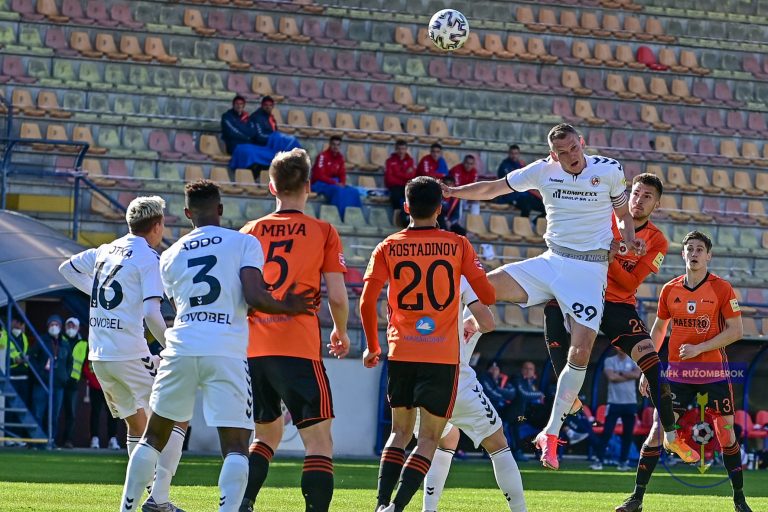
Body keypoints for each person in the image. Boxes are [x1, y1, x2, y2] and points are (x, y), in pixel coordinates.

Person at [442, 123, 644, 470]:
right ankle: (454, 368)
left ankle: (550, 433)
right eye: (561, 153)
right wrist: (453, 191)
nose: (569, 157)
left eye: (573, 149)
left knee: (580, 351)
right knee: (476, 289)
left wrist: (626, 238)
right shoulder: (543, 171)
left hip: (588, 270)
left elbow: (623, 215)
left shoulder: (609, 170)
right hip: (551, 262)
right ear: (553, 154)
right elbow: (493, 188)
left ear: (582, 143)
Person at [119, 179, 316, 512]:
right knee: (237, 445)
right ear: (221, 209)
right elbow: (253, 296)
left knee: (153, 437)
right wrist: (289, 305)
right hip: (225, 348)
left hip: (181, 346)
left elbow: (183, 304)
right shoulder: (244, 242)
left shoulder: (170, 255)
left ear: (186, 213)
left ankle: (126, 508)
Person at [360, 176, 496, 512]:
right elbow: (488, 296)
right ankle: (397, 507)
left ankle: (380, 504)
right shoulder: (458, 245)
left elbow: (366, 301)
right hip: (441, 357)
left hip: (402, 351)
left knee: (398, 434)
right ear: (440, 208)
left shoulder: (388, 246)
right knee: (429, 440)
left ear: (406, 207)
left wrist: (372, 346)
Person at [544, 173, 696, 467]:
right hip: (586, 293)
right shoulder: (604, 217)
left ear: (657, 204)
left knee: (652, 362)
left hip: (618, 305)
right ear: (628, 194)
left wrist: (608, 256)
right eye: (636, 193)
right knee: (551, 304)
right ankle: (571, 397)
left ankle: (671, 434)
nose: (639, 200)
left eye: (647, 196)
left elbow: (628, 284)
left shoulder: (658, 241)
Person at [238, 148, 350, 512]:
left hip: (254, 349)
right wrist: (341, 330)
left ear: (271, 187)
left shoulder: (249, 232)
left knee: (266, 434)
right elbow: (337, 293)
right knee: (319, 441)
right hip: (298, 348)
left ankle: (245, 501)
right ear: (309, 186)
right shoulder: (323, 231)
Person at [59, 196, 186, 512]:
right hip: (130, 355)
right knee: (178, 415)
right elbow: (153, 315)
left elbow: (68, 267)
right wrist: (174, 348)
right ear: (156, 226)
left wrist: (100, 297)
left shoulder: (105, 250)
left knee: (135, 424)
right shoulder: (148, 258)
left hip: (100, 356)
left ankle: (142, 497)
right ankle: (159, 498)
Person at [616, 231, 752, 512]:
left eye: (700, 249)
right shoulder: (670, 289)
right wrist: (646, 366)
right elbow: (658, 330)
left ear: (709, 255)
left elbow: (736, 331)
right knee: (657, 432)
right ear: (683, 254)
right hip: (677, 376)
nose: (694, 253)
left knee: (726, 434)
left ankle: (739, 500)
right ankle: (636, 499)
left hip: (713, 373)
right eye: (689, 248)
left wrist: (700, 348)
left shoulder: (722, 288)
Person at [418, 278, 527, 512]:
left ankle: (421, 507)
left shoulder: (417, 283)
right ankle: (520, 510)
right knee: (499, 444)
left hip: (418, 380)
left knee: (442, 439)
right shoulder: (463, 282)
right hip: (456, 380)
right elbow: (487, 322)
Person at [590, 349, 641, 471]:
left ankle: (623, 462)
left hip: (630, 403)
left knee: (628, 435)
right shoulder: (609, 360)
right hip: (614, 403)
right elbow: (611, 377)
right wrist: (628, 374)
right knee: (607, 433)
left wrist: (620, 373)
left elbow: (637, 374)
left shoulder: (633, 360)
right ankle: (599, 460)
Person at [228, 96, 301, 172]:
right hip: (261, 145)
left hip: (268, 144)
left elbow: (273, 131)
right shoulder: (257, 117)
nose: (268, 107)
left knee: (288, 140)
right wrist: (274, 139)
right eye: (266, 105)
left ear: (273, 106)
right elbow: (259, 136)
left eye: (270, 105)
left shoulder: (270, 118)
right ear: (262, 105)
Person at [28, 314, 71, 444]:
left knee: (54, 415)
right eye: (52, 324)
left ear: (60, 327)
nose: (54, 327)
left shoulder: (64, 343)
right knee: (38, 412)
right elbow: (31, 357)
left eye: (56, 324)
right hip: (42, 382)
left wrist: (65, 376)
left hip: (58, 384)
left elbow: (70, 362)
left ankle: (50, 440)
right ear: (48, 326)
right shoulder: (41, 340)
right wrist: (39, 373)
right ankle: (36, 441)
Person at [311, 135, 362, 218]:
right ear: (330, 145)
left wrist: (342, 183)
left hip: (334, 183)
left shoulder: (340, 158)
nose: (335, 147)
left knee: (354, 191)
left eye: (338, 145)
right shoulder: (322, 156)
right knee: (338, 191)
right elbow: (319, 175)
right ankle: (339, 216)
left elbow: (342, 173)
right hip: (320, 183)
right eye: (333, 144)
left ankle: (354, 217)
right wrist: (335, 183)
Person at [508, 362, 546, 459]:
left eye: (531, 369)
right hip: (514, 414)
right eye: (526, 368)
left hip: (526, 415)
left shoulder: (530, 383)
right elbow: (524, 394)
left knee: (544, 424)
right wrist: (539, 394)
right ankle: (517, 451)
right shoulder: (517, 379)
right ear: (522, 370)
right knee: (517, 422)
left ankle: (541, 452)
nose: (528, 371)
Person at [83, 355, 120, 450]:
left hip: (111, 387)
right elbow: (88, 367)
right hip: (95, 387)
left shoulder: (113, 350)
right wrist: (94, 382)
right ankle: (94, 438)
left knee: (113, 413)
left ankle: (113, 438)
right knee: (95, 412)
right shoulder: (94, 350)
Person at [61, 317, 88, 448]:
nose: (70, 328)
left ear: (78, 328)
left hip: (74, 381)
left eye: (73, 326)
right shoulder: (60, 340)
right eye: (68, 326)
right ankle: (52, 438)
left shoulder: (83, 343)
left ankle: (68, 440)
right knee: (55, 411)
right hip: (60, 380)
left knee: (71, 413)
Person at [384, 139, 416, 226]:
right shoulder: (390, 161)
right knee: (396, 196)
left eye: (403, 149)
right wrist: (405, 175)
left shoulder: (410, 161)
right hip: (395, 186)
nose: (401, 151)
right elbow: (389, 179)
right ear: (396, 149)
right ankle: (398, 216)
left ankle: (409, 219)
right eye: (399, 149)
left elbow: (412, 176)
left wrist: (397, 174)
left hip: (406, 185)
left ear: (406, 149)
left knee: (413, 196)